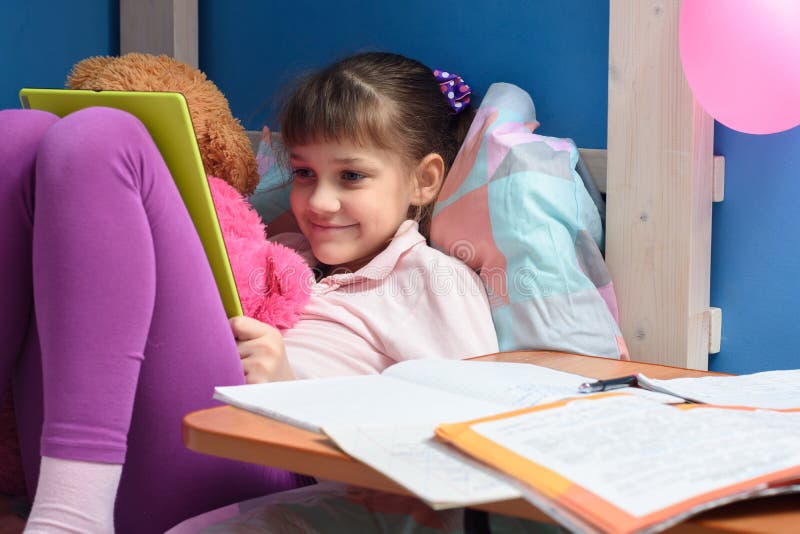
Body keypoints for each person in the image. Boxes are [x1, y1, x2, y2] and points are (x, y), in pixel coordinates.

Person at [0, 50, 497, 533]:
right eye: (304, 173)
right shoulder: (280, 250)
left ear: (424, 180)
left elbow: (466, 445)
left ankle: (73, 517)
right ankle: (68, 498)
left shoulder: (430, 278)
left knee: (103, 136)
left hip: (259, 465)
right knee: (17, 137)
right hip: (120, 450)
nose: (320, 202)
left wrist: (292, 394)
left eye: (351, 176)